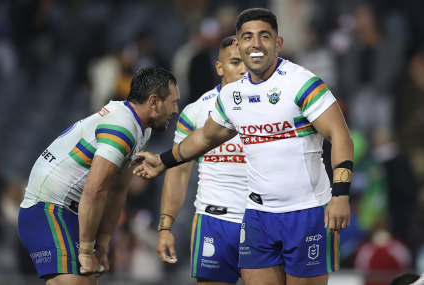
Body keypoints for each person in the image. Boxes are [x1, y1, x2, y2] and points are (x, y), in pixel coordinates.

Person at [134, 8, 354, 285]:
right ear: (238, 44)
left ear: (278, 42)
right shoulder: (231, 95)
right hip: (258, 216)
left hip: (306, 212)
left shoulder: (301, 83)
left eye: (265, 36)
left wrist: (341, 195)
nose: (256, 43)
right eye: (248, 37)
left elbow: (341, 136)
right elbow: (205, 138)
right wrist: (163, 161)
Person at [17, 66, 180, 285]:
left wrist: (101, 245)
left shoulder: (140, 129)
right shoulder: (122, 127)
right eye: (173, 102)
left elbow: (118, 190)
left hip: (67, 212)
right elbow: (95, 189)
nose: (176, 109)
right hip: (47, 209)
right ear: (153, 101)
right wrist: (86, 251)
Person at [156, 35, 248, 285]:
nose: (243, 69)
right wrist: (165, 227)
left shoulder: (271, 106)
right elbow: (179, 172)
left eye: (248, 62)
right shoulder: (196, 111)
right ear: (219, 68)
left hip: (260, 220)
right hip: (212, 222)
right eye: (235, 62)